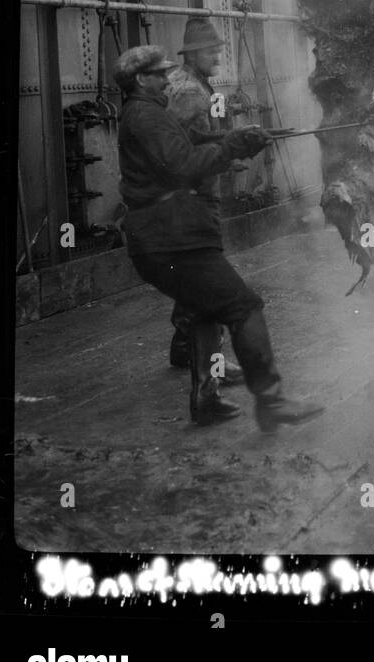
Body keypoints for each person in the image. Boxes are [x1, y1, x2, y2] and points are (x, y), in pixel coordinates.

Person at [114, 44, 324, 431]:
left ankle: (206, 399)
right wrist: (230, 147)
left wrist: (235, 137)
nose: (167, 78)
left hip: (167, 236)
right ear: (141, 79)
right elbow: (182, 167)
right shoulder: (145, 116)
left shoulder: (148, 112)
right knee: (244, 306)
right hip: (172, 238)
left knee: (205, 310)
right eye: (160, 73)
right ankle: (271, 401)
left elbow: (186, 146)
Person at [164, 17, 247, 384]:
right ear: (195, 53)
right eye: (212, 50)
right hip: (192, 196)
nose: (217, 56)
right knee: (209, 278)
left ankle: (183, 346)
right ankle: (211, 365)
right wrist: (231, 153)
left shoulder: (186, 83)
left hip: (179, 195)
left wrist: (228, 147)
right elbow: (193, 148)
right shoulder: (192, 94)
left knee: (194, 273)